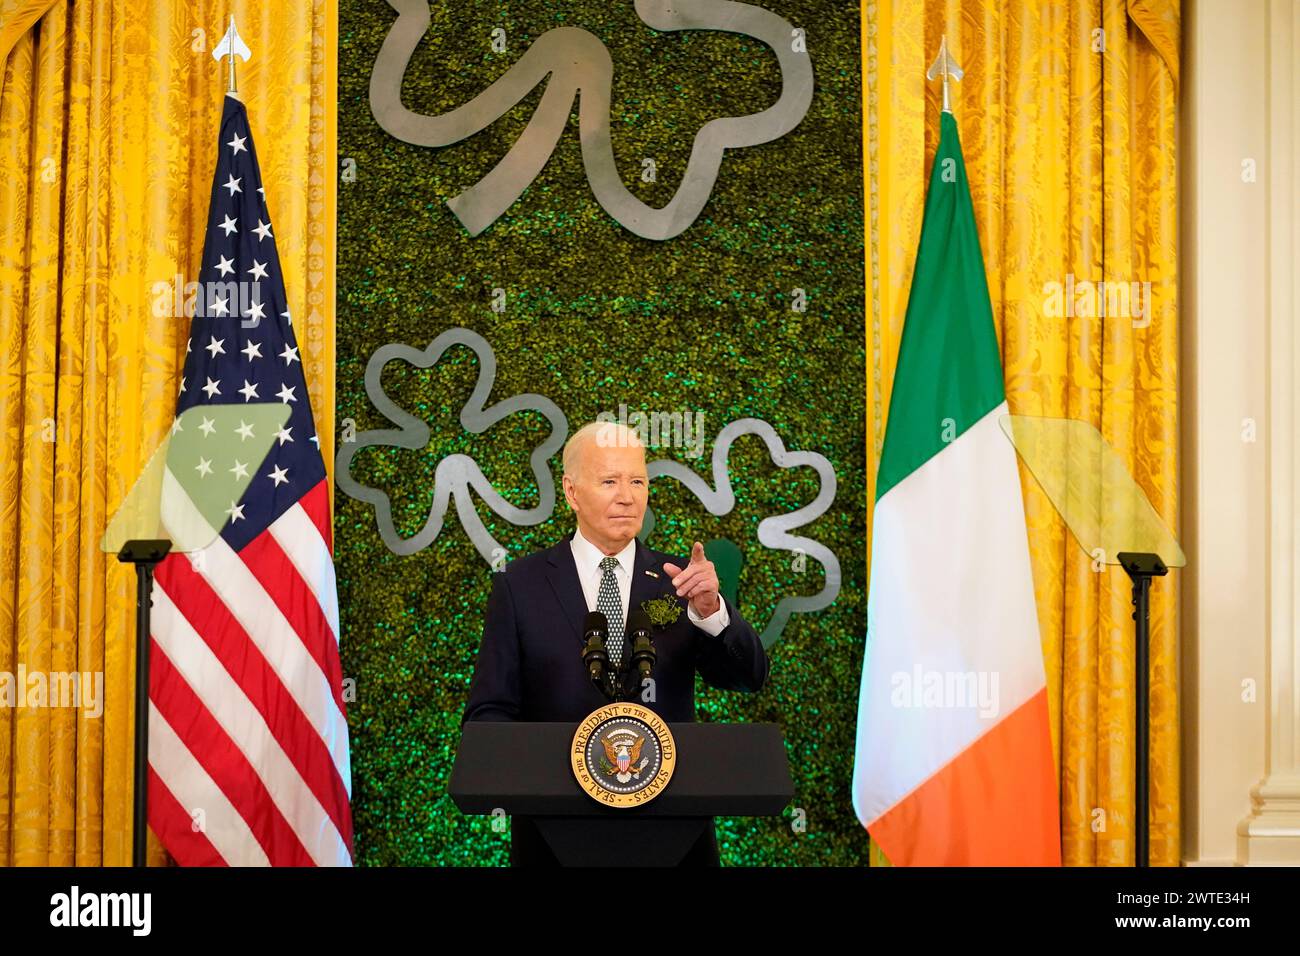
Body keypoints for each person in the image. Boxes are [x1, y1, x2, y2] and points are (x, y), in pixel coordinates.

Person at [462, 420, 769, 865]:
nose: (627, 496)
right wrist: (533, 776)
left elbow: (748, 677)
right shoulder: (519, 585)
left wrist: (711, 612)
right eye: (609, 481)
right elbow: (489, 712)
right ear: (571, 492)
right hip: (555, 841)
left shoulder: (682, 582)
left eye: (637, 481)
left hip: (674, 838)